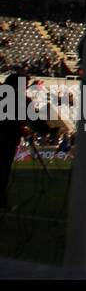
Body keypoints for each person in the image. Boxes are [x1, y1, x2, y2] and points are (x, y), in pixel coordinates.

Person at [0, 73, 33, 210]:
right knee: (3, 172)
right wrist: (20, 129)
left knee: (4, 172)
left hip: (9, 139)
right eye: (24, 84)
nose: (26, 87)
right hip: (5, 140)